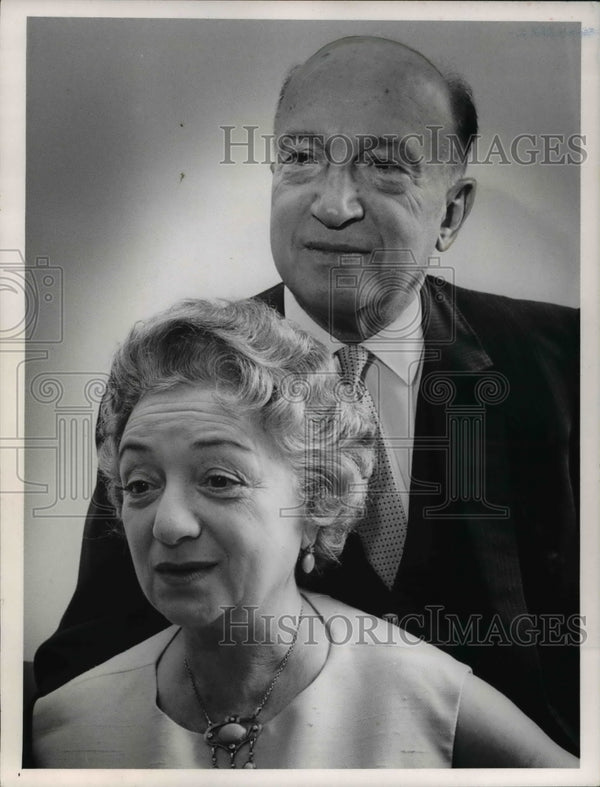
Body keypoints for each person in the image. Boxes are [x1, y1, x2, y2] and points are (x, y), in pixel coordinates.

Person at [33, 36, 579, 755]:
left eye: (385, 165)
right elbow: (99, 657)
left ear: (451, 213)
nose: (333, 203)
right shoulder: (175, 378)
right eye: (300, 157)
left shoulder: (566, 362)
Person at [32, 298, 578, 769]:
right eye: (141, 485)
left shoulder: (431, 696)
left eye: (220, 480)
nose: (169, 524)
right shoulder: (66, 728)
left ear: (317, 500)